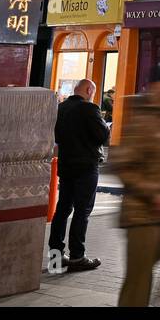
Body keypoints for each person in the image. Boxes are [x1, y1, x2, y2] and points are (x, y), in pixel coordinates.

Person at [114, 77, 160, 306]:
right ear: (159, 85)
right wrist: (155, 194)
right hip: (141, 217)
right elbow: (121, 166)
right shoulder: (143, 122)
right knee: (138, 281)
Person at [49, 78, 110, 271]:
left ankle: (56, 258)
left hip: (67, 165)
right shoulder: (89, 109)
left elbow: (57, 136)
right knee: (82, 211)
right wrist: (106, 126)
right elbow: (103, 136)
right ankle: (77, 256)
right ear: (89, 90)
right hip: (86, 166)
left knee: (62, 210)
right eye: (93, 91)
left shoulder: (62, 107)